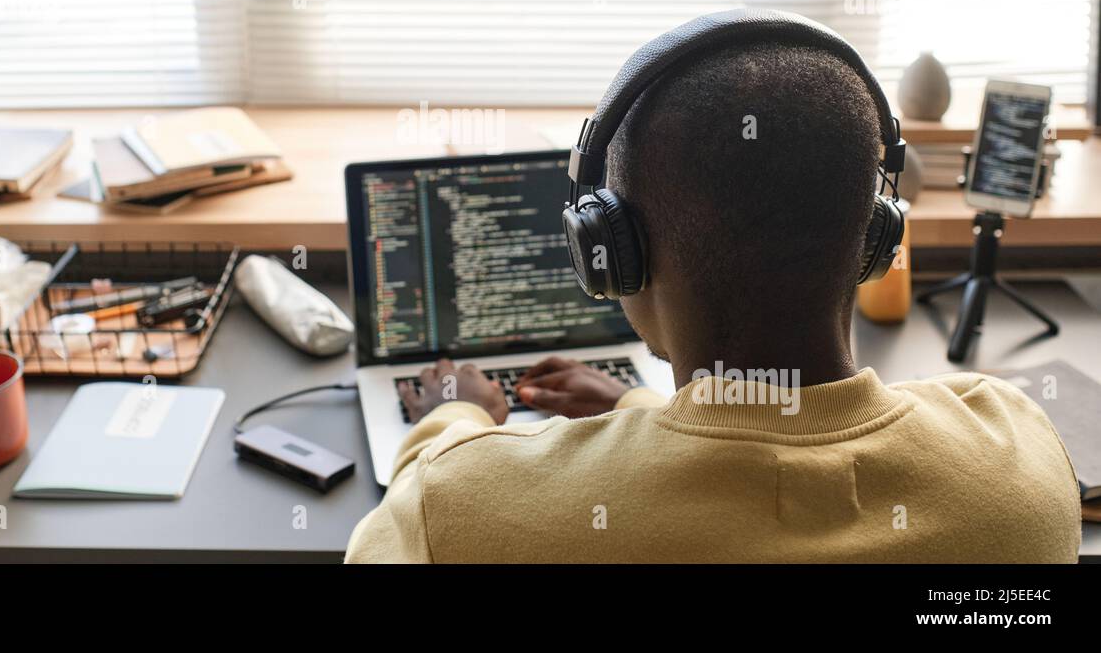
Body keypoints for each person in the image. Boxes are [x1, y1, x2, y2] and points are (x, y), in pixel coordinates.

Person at [344, 40, 1081, 563]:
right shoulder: (1019, 451)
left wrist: (453, 417)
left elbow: (393, 534)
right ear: (874, 242)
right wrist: (637, 413)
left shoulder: (458, 505)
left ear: (613, 256)